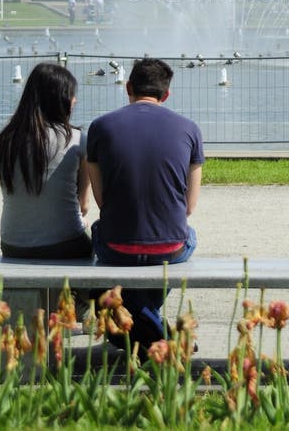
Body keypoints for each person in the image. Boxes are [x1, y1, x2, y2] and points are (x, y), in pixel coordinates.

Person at [87, 57, 204, 352]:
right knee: (190, 235)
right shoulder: (190, 129)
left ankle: (140, 325)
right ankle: (154, 330)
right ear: (166, 94)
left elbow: (101, 201)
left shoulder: (100, 127)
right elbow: (189, 207)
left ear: (128, 87)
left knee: (101, 231)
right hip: (171, 248)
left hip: (114, 246)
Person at [0, 62, 92, 259]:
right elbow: (83, 206)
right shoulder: (77, 139)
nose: (75, 100)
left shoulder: (6, 139)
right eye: (72, 94)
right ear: (61, 98)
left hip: (13, 245)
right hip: (66, 244)